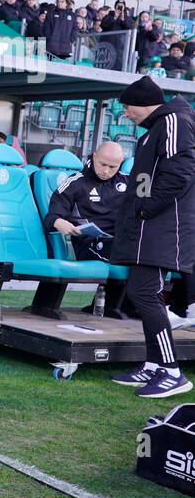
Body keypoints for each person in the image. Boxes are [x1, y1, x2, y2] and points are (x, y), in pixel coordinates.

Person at [110, 76, 195, 398]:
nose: (126, 115)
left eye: (127, 108)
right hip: (147, 227)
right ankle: (153, 365)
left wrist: (146, 207)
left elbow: (181, 171)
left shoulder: (175, 120)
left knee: (145, 294)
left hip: (162, 227)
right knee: (140, 293)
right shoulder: (154, 131)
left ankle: (172, 371)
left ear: (143, 103)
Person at [44, 140, 128, 316]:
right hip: (89, 244)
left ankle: (128, 306)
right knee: (126, 252)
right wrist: (60, 222)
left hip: (119, 240)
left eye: (113, 167)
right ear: (94, 156)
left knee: (148, 250)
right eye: (103, 164)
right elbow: (52, 217)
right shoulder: (75, 182)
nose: (106, 171)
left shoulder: (127, 182)